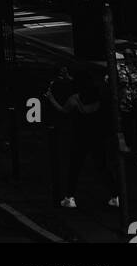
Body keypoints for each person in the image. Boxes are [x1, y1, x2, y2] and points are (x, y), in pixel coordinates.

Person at [46, 67, 117, 209]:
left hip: (80, 137)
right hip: (97, 137)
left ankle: (70, 198)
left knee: (74, 167)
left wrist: (50, 98)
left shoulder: (75, 99)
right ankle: (115, 196)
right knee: (102, 166)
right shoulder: (98, 95)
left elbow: (63, 110)